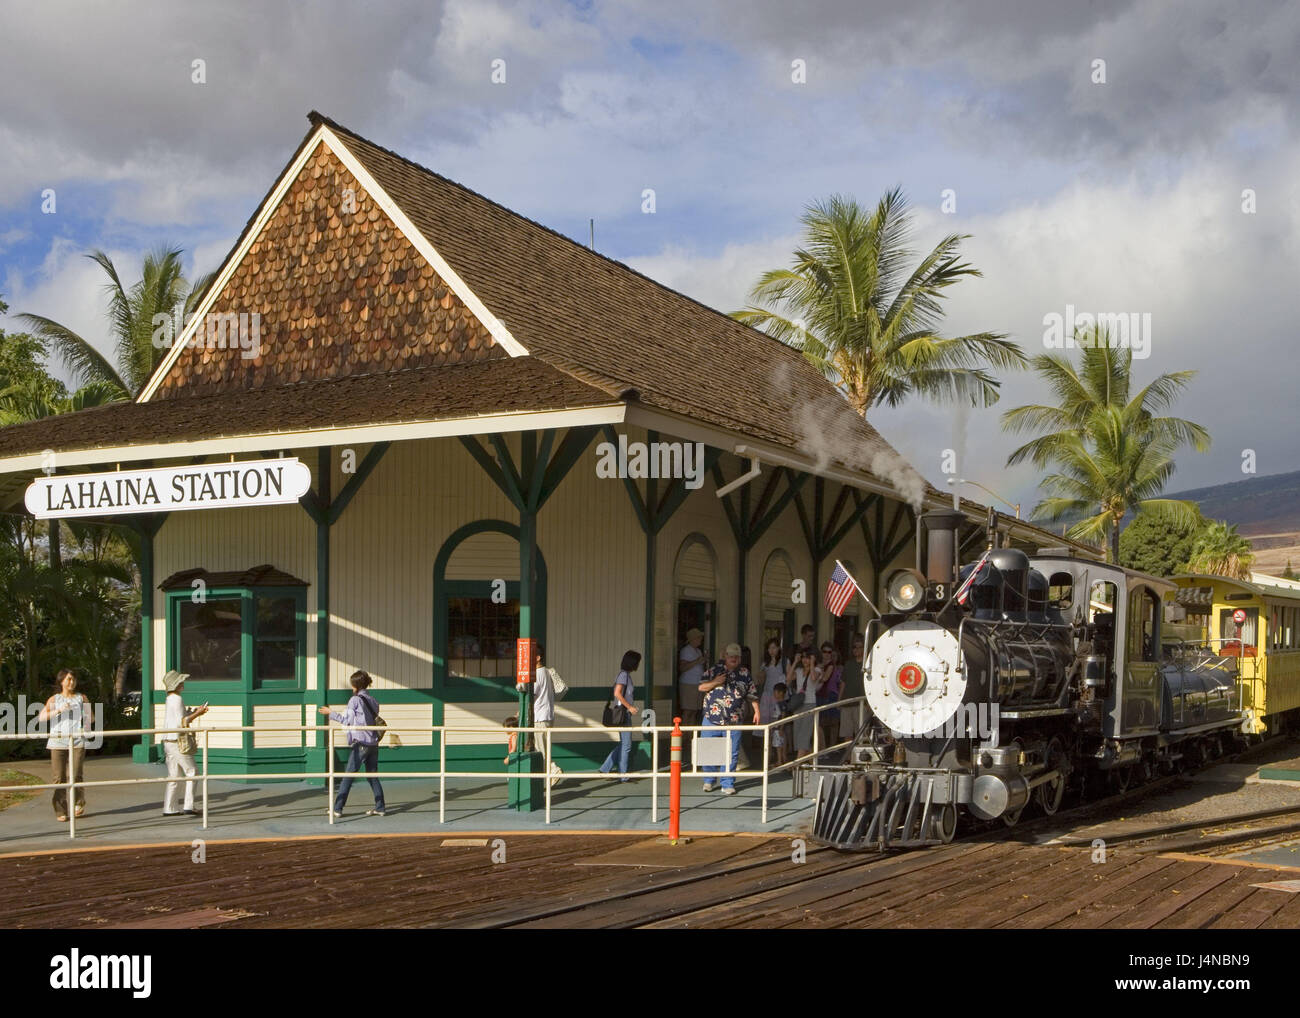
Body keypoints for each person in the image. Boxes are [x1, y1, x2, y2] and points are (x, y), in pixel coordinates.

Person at [319, 670, 386, 817]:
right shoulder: (373, 701)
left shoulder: (354, 700)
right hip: (373, 743)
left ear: (355, 685)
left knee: (348, 775)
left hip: (361, 743)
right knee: (372, 775)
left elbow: (346, 720)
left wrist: (330, 713)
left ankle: (337, 808)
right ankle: (380, 807)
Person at [699, 643, 758, 795]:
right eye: (731, 656)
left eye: (736, 656)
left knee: (731, 752)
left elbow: (752, 694)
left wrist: (757, 711)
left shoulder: (745, 673)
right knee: (709, 748)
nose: (733, 659)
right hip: (712, 716)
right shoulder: (714, 670)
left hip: (734, 717)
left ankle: (728, 783)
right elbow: (701, 687)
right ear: (725, 656)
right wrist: (715, 682)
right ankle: (709, 780)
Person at [38, 669, 92, 822]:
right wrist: (58, 710)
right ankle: (60, 810)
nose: (71, 682)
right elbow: (41, 717)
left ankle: (78, 803)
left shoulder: (82, 698)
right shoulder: (54, 699)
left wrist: (85, 722)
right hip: (58, 741)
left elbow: (91, 719)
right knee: (59, 777)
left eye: (73, 679)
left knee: (76, 775)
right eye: (68, 679)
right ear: (61, 681)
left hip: (77, 740)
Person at [161, 669, 208, 817]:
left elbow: (179, 719)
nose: (183, 684)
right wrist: (198, 713)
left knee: (174, 776)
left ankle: (169, 807)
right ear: (177, 684)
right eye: (181, 682)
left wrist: (191, 713)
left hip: (168, 740)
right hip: (176, 740)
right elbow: (183, 722)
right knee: (192, 771)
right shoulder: (177, 699)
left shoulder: (169, 699)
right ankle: (189, 805)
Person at [599, 651, 641, 781]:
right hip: (624, 713)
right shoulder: (624, 675)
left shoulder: (625, 675)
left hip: (624, 713)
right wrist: (630, 707)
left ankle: (605, 769)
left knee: (624, 744)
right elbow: (617, 693)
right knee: (626, 745)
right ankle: (623, 775)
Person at [786, 648, 823, 758]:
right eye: (803, 657)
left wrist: (812, 663)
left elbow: (812, 678)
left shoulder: (817, 670)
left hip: (810, 703)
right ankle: (809, 760)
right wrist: (795, 662)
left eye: (808, 658)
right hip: (798, 704)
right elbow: (788, 679)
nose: (805, 660)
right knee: (797, 732)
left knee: (805, 733)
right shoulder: (798, 671)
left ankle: (798, 762)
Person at [838, 634, 867, 746]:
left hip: (862, 703)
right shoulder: (848, 664)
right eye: (854, 647)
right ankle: (848, 757)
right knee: (847, 732)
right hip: (847, 701)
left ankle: (861, 757)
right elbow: (843, 682)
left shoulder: (868, 664)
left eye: (859, 647)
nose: (856, 650)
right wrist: (839, 699)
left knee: (861, 732)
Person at [817, 644, 844, 750]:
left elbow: (824, 679)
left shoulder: (832, 666)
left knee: (832, 722)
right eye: (825, 651)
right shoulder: (819, 664)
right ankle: (823, 746)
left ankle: (831, 747)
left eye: (829, 652)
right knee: (821, 722)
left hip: (831, 694)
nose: (827, 654)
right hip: (819, 694)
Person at [531, 643, 555, 757]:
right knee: (545, 748)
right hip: (548, 715)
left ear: (538, 658)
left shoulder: (536, 674)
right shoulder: (547, 672)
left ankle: (553, 772)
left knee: (541, 751)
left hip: (539, 717)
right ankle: (551, 771)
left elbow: (532, 695)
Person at [678, 628, 705, 727]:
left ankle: (690, 736)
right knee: (688, 711)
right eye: (699, 638)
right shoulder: (686, 650)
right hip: (688, 684)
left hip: (697, 683)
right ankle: (684, 735)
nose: (700, 640)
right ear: (693, 639)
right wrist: (697, 661)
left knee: (694, 711)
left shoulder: (698, 651)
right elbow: (683, 667)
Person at [771, 682, 791, 766]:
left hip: (779, 728)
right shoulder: (778, 703)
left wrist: (781, 728)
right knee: (780, 744)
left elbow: (783, 715)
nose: (774, 694)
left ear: (781, 693)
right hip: (776, 727)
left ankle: (780, 760)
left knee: (779, 745)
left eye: (775, 692)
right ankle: (783, 759)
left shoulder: (782, 704)